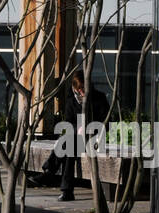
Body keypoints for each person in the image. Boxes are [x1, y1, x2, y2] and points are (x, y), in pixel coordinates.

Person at [37, 68, 110, 201]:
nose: (82, 92)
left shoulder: (99, 98)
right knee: (69, 147)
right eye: (79, 89)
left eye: (84, 88)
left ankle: (51, 174)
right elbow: (68, 124)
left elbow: (107, 123)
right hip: (76, 140)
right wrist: (78, 129)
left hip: (94, 139)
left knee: (68, 144)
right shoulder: (72, 102)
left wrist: (89, 128)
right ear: (75, 88)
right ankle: (65, 190)